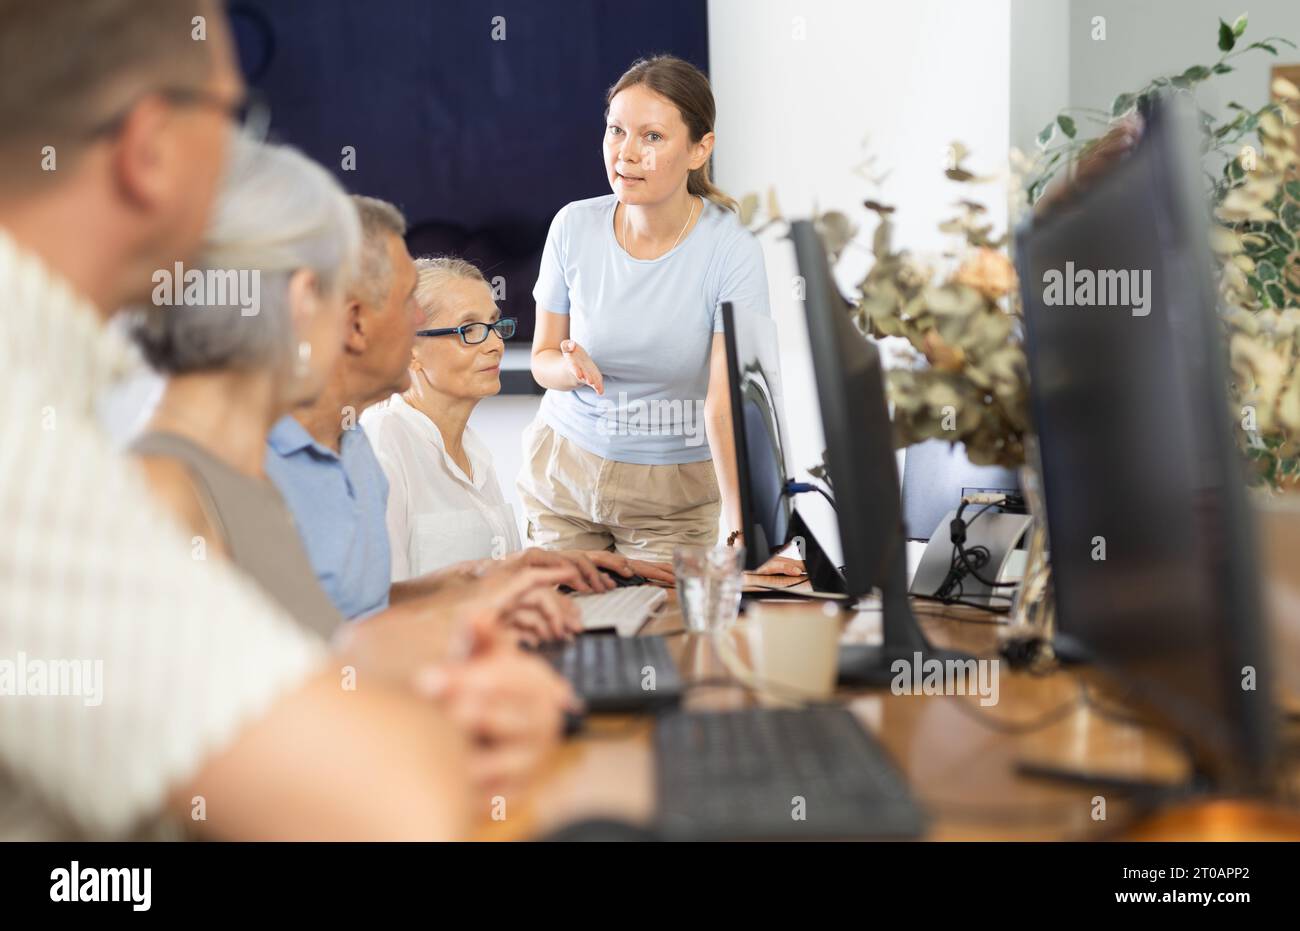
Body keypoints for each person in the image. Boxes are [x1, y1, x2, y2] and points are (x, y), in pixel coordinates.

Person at [1, 0, 470, 841]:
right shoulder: (25, 450)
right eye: (229, 116)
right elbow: (394, 807)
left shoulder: (57, 399)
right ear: (149, 150)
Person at [268, 198, 650, 640]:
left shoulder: (385, 446)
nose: (493, 345)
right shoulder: (357, 444)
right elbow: (358, 632)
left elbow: (376, 602)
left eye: (493, 325)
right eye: (401, 308)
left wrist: (513, 571)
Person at [521, 54, 801, 574]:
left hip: (670, 498)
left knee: (665, 639)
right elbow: (542, 358)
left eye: (652, 137)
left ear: (700, 149)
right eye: (616, 131)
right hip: (565, 471)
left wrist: (744, 538)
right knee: (559, 637)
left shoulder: (730, 247)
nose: (626, 153)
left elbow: (727, 405)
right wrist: (569, 369)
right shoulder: (572, 226)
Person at [362, 256, 677, 584]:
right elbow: (379, 605)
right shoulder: (382, 441)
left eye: (494, 325)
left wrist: (571, 566)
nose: (496, 344)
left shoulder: (473, 451)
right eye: (469, 329)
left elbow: (488, 580)